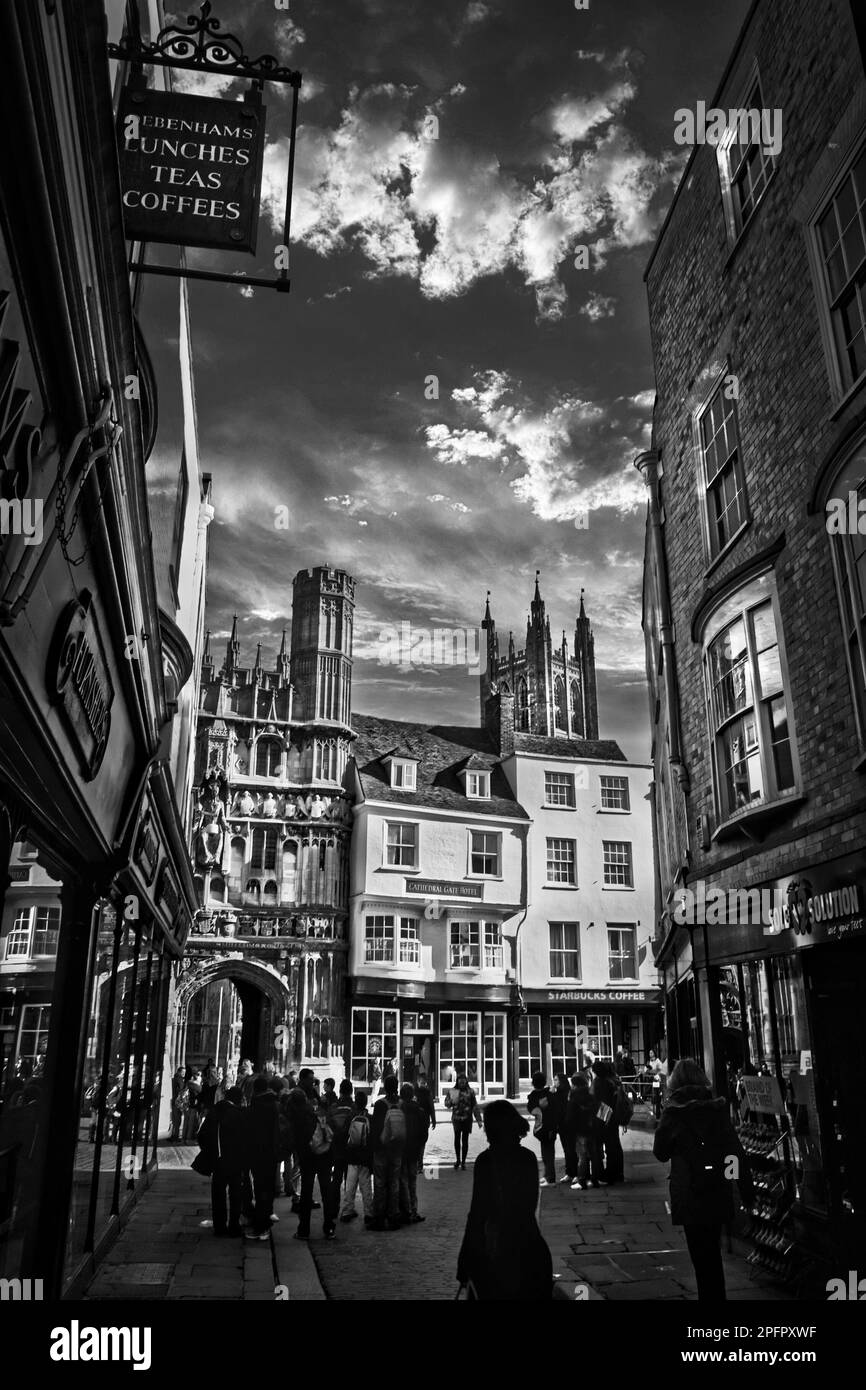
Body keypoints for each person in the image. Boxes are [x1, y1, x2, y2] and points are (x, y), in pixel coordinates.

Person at [653, 1059, 752, 1301]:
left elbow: (661, 1152)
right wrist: (745, 1189)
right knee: (713, 1253)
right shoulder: (716, 1109)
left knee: (700, 1255)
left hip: (689, 1190)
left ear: (675, 1082)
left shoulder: (673, 1112)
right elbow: (734, 1152)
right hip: (716, 1187)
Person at [456, 1100, 553, 1300]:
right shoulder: (528, 1158)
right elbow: (530, 1205)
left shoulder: (486, 1160)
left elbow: (477, 1212)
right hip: (528, 1243)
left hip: (495, 1248)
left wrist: (466, 1257)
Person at [291, 1068, 337, 1241]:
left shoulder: (305, 1099)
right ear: (303, 1080)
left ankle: (307, 1230)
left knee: (313, 1190)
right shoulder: (311, 1100)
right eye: (311, 1080)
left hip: (312, 1152)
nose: (313, 1083)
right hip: (319, 1152)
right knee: (321, 1191)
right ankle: (325, 1228)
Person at [197, 1084, 246, 1237]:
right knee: (236, 1193)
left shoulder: (215, 1111)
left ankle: (219, 1226)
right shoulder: (240, 1113)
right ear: (239, 1099)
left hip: (218, 1160)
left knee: (218, 1193)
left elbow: (201, 1135)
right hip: (236, 1160)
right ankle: (234, 1225)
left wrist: (210, 1152)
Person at [245, 1075, 281, 1240]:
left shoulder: (257, 1106)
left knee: (260, 1190)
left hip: (258, 1153)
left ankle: (262, 1227)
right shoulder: (274, 1104)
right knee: (267, 1189)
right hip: (271, 1153)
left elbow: (251, 1132)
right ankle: (265, 1223)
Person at [370, 1074, 406, 1229]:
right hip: (397, 1149)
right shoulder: (402, 1104)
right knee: (394, 1183)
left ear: (384, 1086)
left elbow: (375, 1128)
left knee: (379, 1183)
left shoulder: (380, 1104)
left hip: (381, 1149)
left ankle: (379, 1217)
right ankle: (394, 1216)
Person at [340, 1089, 374, 1226]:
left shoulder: (351, 1116)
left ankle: (348, 1210)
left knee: (350, 1184)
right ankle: (369, 1213)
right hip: (364, 1156)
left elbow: (344, 1134)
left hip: (352, 1155)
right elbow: (372, 1138)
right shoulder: (369, 1117)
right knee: (366, 1186)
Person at [564, 1072, 600, 1189]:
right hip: (592, 1129)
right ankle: (594, 1180)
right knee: (593, 1155)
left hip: (580, 1130)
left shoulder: (574, 1097)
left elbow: (569, 1117)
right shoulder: (591, 1096)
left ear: (575, 1085)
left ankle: (582, 1180)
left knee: (582, 1156)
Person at [398, 1082, 428, 1223]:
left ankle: (405, 1210)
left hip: (402, 1150)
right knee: (412, 1182)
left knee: (402, 1181)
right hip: (414, 1151)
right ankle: (413, 1211)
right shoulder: (419, 1110)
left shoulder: (398, 1110)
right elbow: (424, 1133)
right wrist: (419, 1146)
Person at [591, 1059, 624, 1184]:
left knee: (604, 1148)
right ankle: (617, 1173)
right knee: (614, 1146)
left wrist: (601, 1121)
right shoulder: (611, 1082)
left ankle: (608, 1174)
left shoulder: (600, 1083)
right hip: (612, 1117)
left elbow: (603, 1104)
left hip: (604, 1118)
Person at [526, 1071, 557, 1185]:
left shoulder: (533, 1096)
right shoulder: (550, 1094)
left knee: (547, 1153)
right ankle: (547, 1175)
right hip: (551, 1126)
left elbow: (531, 1109)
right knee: (548, 1151)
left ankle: (551, 1178)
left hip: (541, 1127)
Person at [446, 1072, 481, 1170]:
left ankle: (464, 1162)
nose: (462, 1082)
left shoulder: (470, 1092)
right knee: (457, 1139)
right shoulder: (452, 1091)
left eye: (463, 1081)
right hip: (456, 1118)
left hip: (467, 1119)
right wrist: (451, 1102)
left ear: (466, 1082)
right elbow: (447, 1103)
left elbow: (474, 1105)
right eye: (460, 1081)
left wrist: (479, 1120)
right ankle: (458, 1160)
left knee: (465, 1140)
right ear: (457, 1082)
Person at [329, 1079, 357, 1196]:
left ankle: (333, 1207)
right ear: (351, 1091)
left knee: (337, 1176)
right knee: (349, 1178)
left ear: (340, 1090)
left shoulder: (334, 1107)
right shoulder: (354, 1107)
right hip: (350, 1145)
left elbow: (329, 1124)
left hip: (336, 1144)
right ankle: (347, 1207)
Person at [550, 1072, 571, 1183]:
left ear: (561, 1081)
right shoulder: (562, 1092)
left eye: (556, 1080)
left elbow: (556, 1107)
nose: (554, 1081)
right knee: (567, 1149)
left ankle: (571, 1173)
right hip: (564, 1124)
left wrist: (552, 1093)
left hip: (565, 1124)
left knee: (568, 1149)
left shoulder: (561, 1093)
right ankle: (570, 1173)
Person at [414, 1073, 436, 1173]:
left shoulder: (427, 1093)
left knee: (421, 1143)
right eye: (422, 1082)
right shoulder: (414, 1092)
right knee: (417, 1144)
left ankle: (419, 1164)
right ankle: (418, 1164)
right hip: (415, 1122)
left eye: (424, 1083)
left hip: (423, 1122)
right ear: (418, 1082)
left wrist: (434, 1119)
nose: (423, 1084)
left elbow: (431, 1107)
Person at [169, 1066, 186, 1142]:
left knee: (174, 1119)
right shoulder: (179, 1079)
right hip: (177, 1102)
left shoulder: (173, 1079)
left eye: (184, 1072)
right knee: (177, 1120)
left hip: (173, 1101)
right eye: (182, 1072)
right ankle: (175, 1136)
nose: (184, 1073)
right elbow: (182, 1090)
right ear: (179, 1072)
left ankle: (173, 1135)